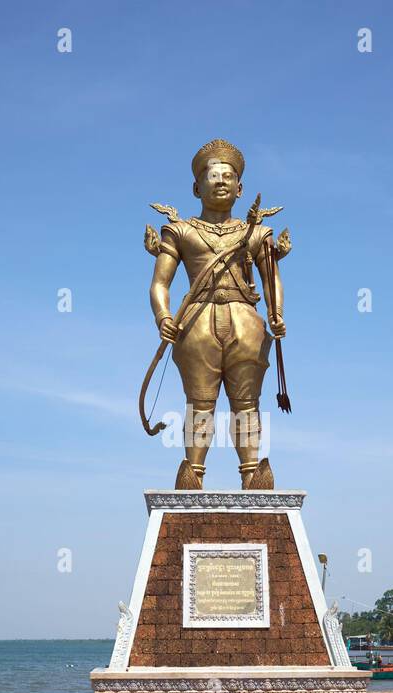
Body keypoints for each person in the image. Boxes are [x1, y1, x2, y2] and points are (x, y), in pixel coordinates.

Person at [147, 139, 286, 489]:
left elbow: (272, 281)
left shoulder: (255, 232)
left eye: (228, 176)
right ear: (197, 187)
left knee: (246, 402)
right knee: (200, 402)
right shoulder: (181, 231)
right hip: (196, 322)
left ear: (240, 189)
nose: (221, 181)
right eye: (213, 175)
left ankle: (252, 473)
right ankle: (193, 473)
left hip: (245, 320)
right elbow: (160, 284)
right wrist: (163, 317)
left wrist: (275, 312)